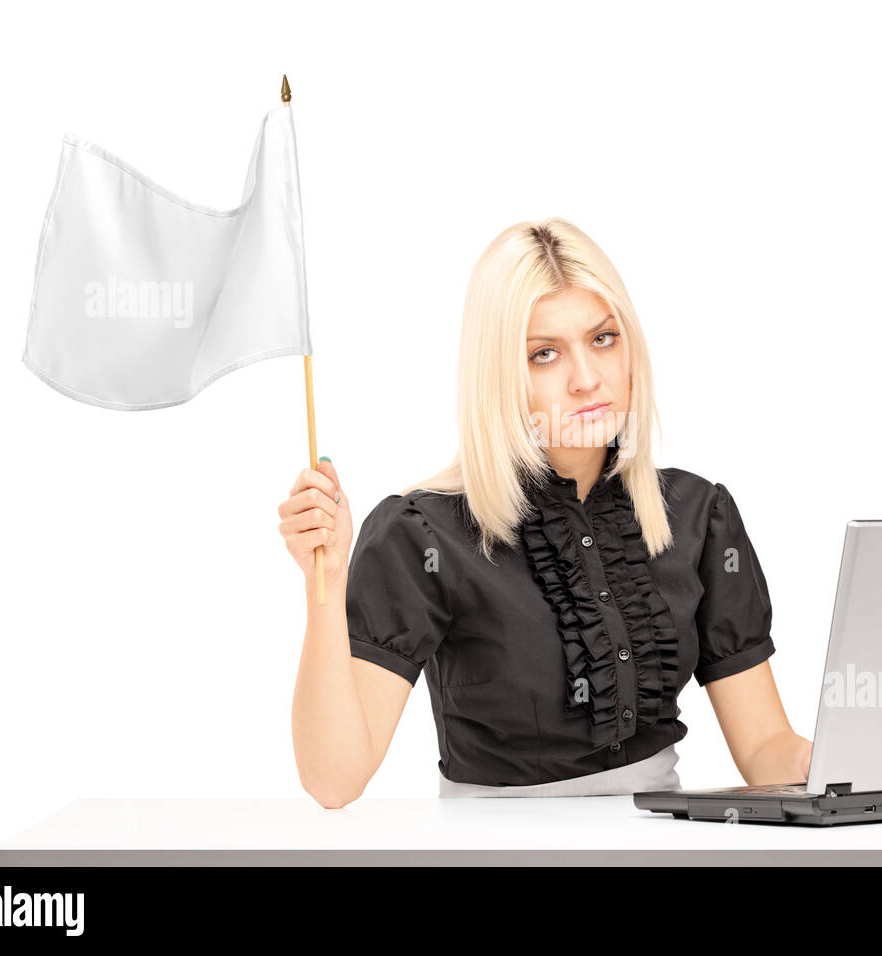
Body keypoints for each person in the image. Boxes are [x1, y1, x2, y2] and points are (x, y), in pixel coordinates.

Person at [279, 218, 812, 806]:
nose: (586, 379)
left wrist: (841, 759)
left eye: (603, 339)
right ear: (498, 375)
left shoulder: (696, 515)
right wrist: (323, 586)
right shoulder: (422, 537)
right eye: (544, 354)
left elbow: (766, 747)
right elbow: (335, 781)